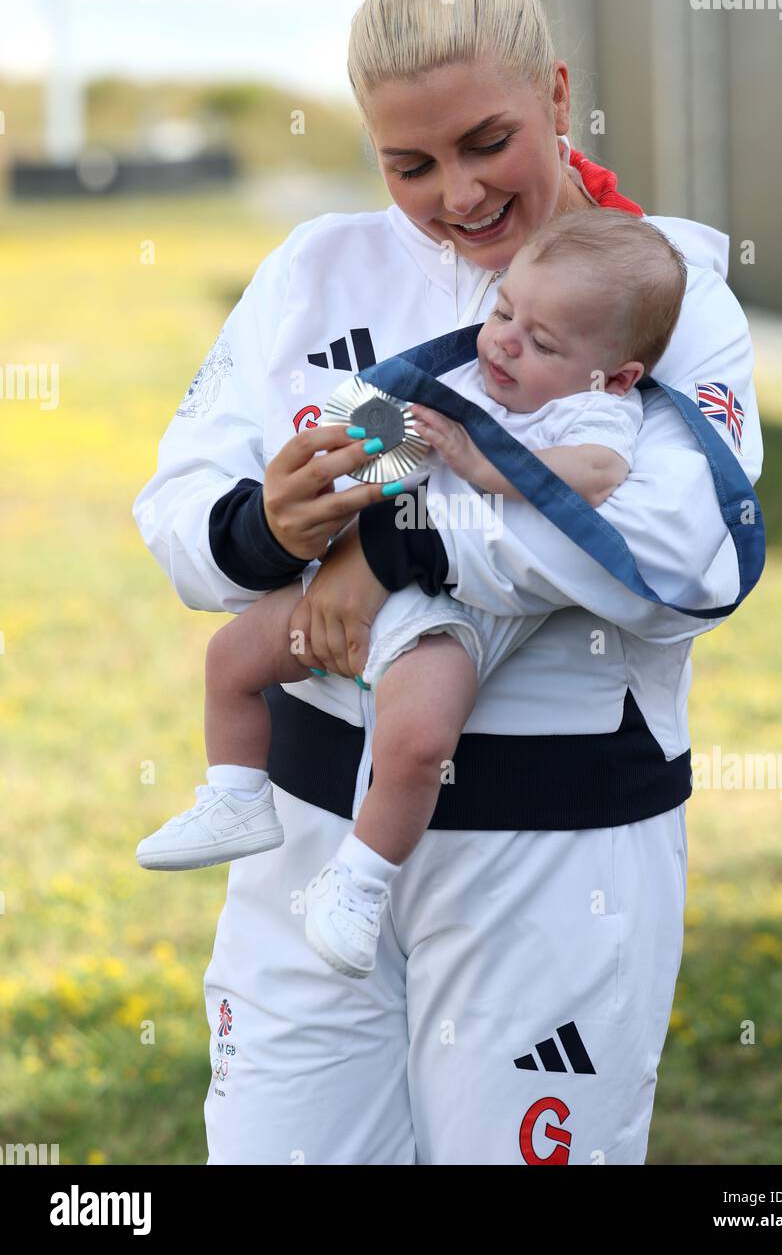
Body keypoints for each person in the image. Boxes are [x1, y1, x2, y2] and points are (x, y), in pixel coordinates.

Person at [132, 0, 762, 1165]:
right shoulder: (313, 267)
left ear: (557, 92)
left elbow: (683, 552)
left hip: (556, 846)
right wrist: (270, 528)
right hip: (316, 838)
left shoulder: (670, 285)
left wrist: (402, 546)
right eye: (408, 163)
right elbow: (179, 510)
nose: (457, 193)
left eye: (487, 142)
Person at [134, 210, 687, 987]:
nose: (504, 343)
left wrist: (479, 457)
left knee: (419, 743)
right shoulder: (474, 365)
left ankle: (359, 880)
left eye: (543, 342)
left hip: (450, 608)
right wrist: (345, 469)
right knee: (233, 655)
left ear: (617, 373)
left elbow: (592, 476)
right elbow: (399, 428)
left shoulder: (595, 411)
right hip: (360, 578)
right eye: (502, 312)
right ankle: (234, 791)